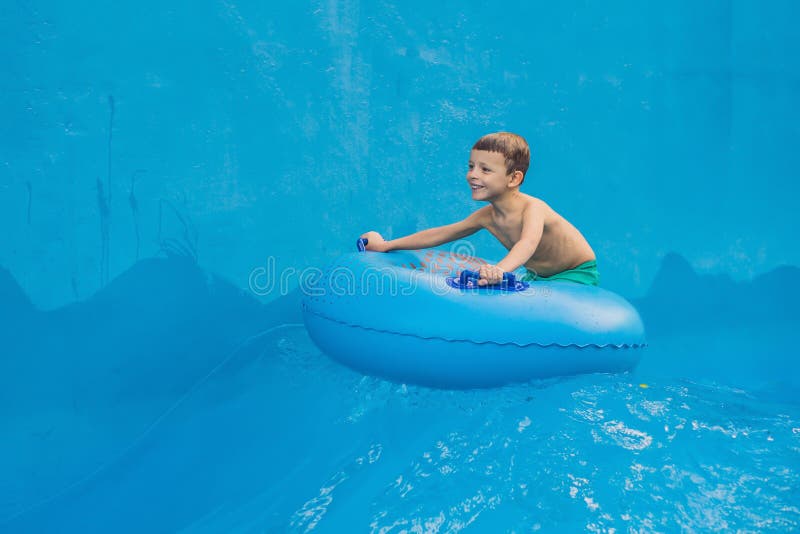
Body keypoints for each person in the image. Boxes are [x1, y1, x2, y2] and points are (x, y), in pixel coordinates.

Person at [360, 132, 599, 286]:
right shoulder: (487, 216)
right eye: (471, 166)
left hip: (575, 273)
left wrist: (499, 270)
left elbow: (527, 244)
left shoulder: (533, 208)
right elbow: (441, 234)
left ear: (514, 178)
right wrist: (386, 245)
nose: (472, 175)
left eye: (485, 170)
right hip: (539, 277)